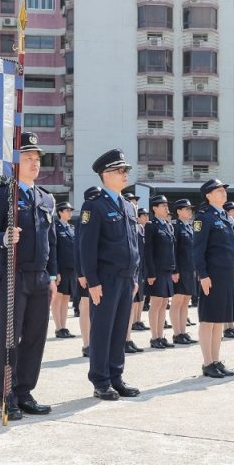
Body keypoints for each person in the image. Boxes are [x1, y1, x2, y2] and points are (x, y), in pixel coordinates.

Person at [0, 132, 57, 421]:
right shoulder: (2, 194)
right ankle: (6, 395)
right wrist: (4, 237)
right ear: (14, 163)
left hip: (39, 277)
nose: (34, 163)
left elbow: (53, 241)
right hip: (12, 275)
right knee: (8, 338)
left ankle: (24, 392)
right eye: (27, 158)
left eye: (37, 159)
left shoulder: (46, 199)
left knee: (36, 337)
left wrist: (53, 275)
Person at [78, 148, 142, 400]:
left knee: (119, 330)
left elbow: (133, 244)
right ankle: (100, 380)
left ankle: (116, 376)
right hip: (105, 279)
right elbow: (87, 246)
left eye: (125, 170)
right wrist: (92, 281)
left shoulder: (127, 206)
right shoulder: (94, 206)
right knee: (102, 329)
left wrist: (135, 276)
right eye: (120, 171)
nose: (125, 174)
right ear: (106, 175)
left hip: (126, 278)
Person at [192, 178, 234, 378]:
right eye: (218, 190)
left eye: (223, 190)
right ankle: (207, 362)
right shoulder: (203, 217)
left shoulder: (227, 217)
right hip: (212, 274)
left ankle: (216, 360)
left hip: (228, 274)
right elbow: (197, 249)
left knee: (219, 319)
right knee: (209, 319)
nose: (223, 193)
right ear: (208, 195)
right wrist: (203, 274)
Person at [145, 195, 177, 350]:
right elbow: (148, 251)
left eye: (166, 205)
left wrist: (174, 269)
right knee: (156, 303)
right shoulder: (151, 226)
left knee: (164, 303)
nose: (166, 208)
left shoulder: (168, 226)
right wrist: (150, 273)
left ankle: (161, 335)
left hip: (167, 269)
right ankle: (154, 336)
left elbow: (172, 250)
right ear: (155, 208)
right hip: (156, 270)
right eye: (163, 206)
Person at [76, 186, 104, 357]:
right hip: (86, 272)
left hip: (98, 270)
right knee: (86, 306)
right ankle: (87, 343)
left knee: (97, 309)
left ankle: (95, 342)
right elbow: (80, 247)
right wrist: (81, 272)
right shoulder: (84, 217)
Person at [171, 199, 198, 345]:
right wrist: (175, 270)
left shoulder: (189, 227)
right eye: (186, 209)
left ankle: (183, 331)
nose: (189, 211)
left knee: (185, 301)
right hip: (180, 269)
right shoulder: (176, 227)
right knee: (177, 302)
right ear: (178, 211)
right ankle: (177, 333)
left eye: (190, 209)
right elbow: (173, 251)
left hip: (189, 269)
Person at [53, 201, 76, 339]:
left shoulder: (71, 228)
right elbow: (54, 251)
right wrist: (55, 271)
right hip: (60, 268)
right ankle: (58, 327)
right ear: (60, 212)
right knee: (58, 298)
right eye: (67, 210)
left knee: (66, 298)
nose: (70, 213)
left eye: (70, 210)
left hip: (71, 268)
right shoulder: (55, 228)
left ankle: (64, 326)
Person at [222, 200, 234, 339]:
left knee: (232, 299)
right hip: (224, 267)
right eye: (232, 210)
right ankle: (226, 326)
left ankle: (231, 325)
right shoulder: (224, 223)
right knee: (225, 299)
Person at [130, 204, 149, 335]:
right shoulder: (133, 227)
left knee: (141, 296)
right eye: (144, 215)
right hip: (134, 266)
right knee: (133, 298)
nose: (147, 217)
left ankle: (138, 319)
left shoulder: (142, 229)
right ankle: (132, 321)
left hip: (141, 265)